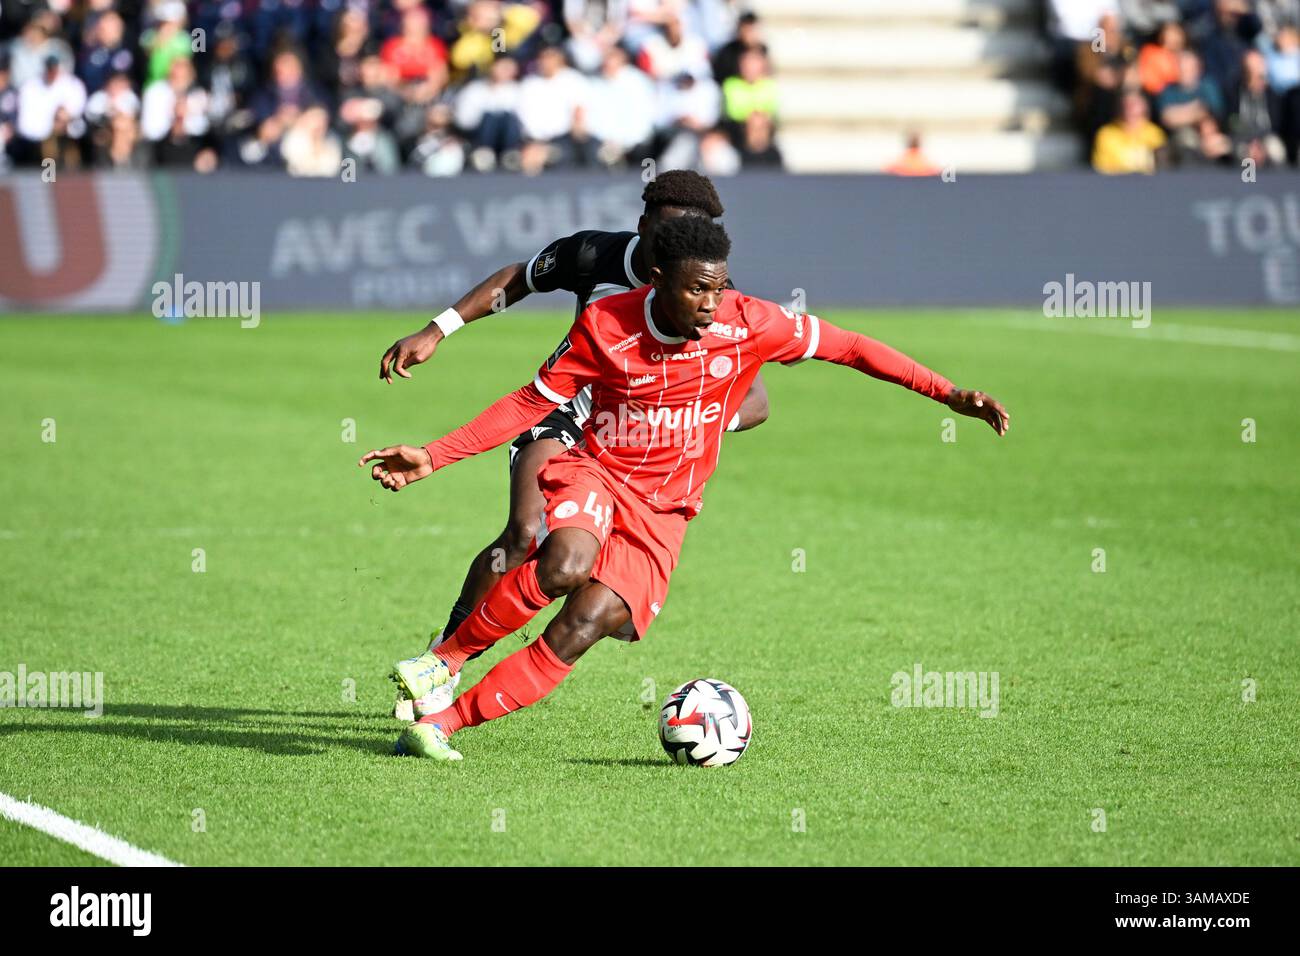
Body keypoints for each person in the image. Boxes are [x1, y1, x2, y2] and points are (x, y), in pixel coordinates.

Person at [362, 216, 1009, 760]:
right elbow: (530, 402)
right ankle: (444, 661)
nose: (711, 302)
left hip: (665, 510)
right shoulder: (606, 325)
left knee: (585, 624)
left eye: (719, 288)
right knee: (564, 561)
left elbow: (853, 346)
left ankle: (440, 727)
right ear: (658, 281)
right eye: (698, 289)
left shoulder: (749, 321)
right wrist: (436, 455)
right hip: (597, 471)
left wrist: (948, 393)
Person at [376, 170, 770, 721]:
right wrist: (439, 328)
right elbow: (518, 278)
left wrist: (686, 420)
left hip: (630, 451)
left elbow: (755, 399)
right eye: (667, 231)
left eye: (694, 235)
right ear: (643, 225)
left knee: (572, 572)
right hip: (562, 418)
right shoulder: (594, 255)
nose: (678, 246)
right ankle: (445, 659)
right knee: (523, 532)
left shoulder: (709, 293)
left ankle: (462, 673)